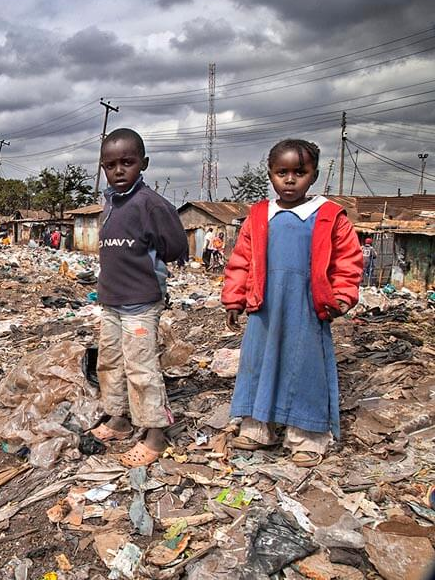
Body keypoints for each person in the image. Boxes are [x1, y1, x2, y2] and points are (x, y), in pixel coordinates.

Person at [222, 139, 362, 467]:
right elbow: (242, 259)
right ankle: (258, 428)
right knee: (257, 364)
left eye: (299, 172)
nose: (289, 179)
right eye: (280, 172)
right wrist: (234, 298)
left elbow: (348, 259)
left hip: (306, 306)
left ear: (313, 176)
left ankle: (307, 436)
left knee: (305, 367)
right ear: (270, 174)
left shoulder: (328, 215)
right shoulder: (259, 215)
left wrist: (341, 297)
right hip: (265, 306)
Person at [88, 128, 188, 467]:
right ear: (102, 167)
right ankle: (118, 418)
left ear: (143, 163)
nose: (119, 171)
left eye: (127, 163)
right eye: (111, 164)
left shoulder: (150, 204)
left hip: (141, 303)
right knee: (110, 362)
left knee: (141, 368)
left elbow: (175, 246)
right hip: (112, 301)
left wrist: (152, 267)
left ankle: (156, 433)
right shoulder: (111, 203)